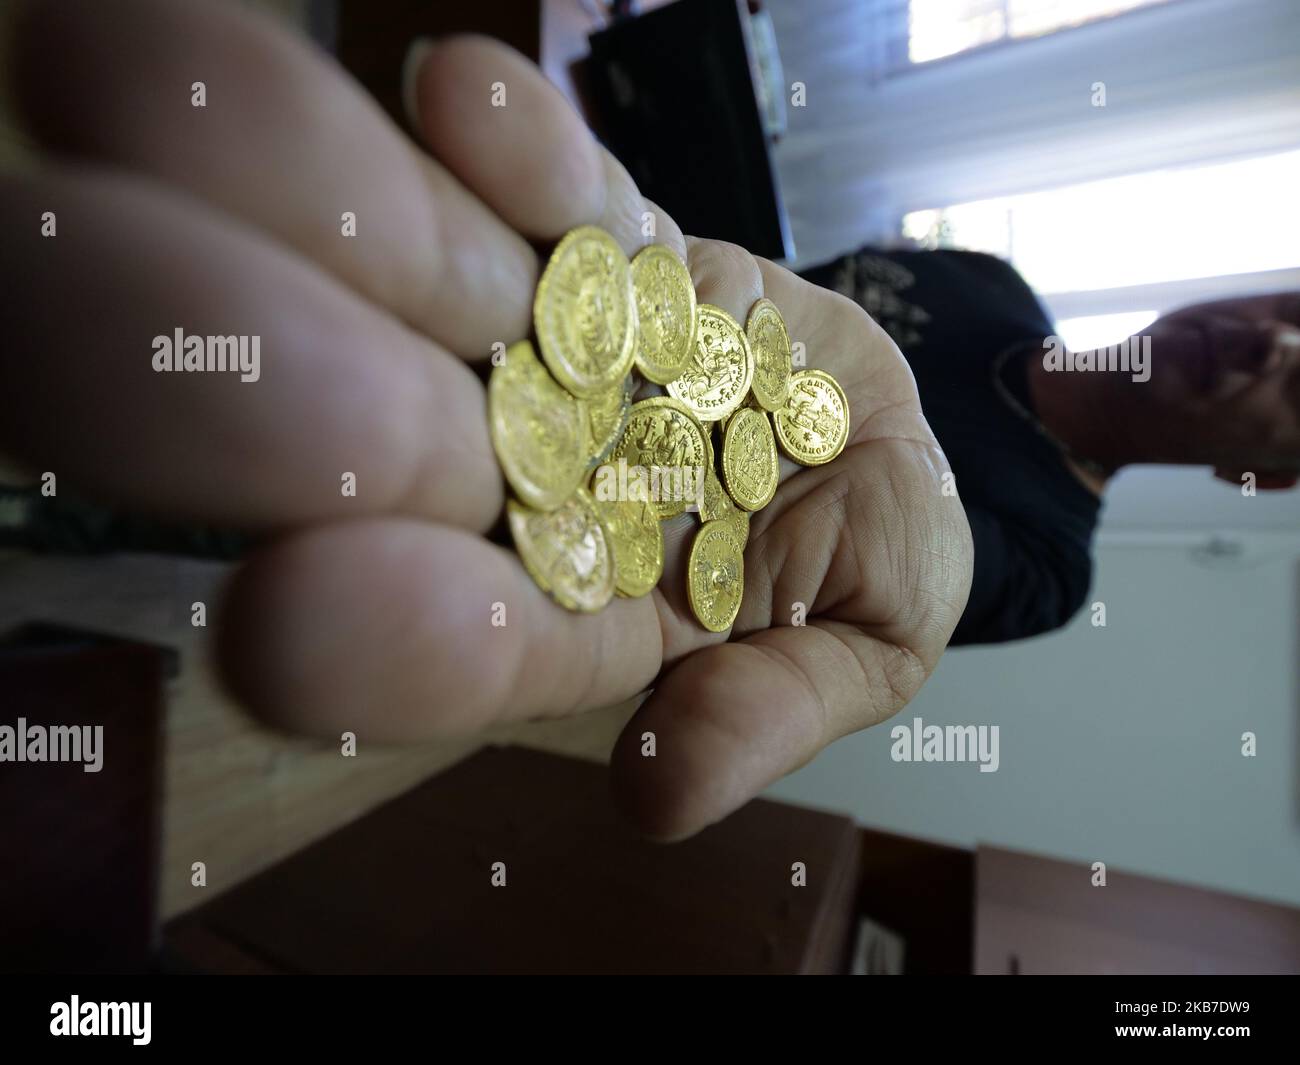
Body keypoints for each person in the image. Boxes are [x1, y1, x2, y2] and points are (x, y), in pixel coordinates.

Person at [0, 0, 972, 841]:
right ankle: (63, 473)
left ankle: (62, 512)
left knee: (311, 488)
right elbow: (832, 301)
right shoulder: (991, 289)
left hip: (568, 529)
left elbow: (902, 541)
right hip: (566, 343)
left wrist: (913, 503)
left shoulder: (1051, 565)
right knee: (301, 366)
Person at [800, 248, 1300, 644]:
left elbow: (795, 549)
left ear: (1258, 474)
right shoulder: (989, 279)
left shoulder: (1042, 571)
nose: (1274, 340)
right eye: (1292, 310)